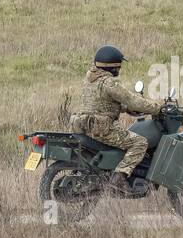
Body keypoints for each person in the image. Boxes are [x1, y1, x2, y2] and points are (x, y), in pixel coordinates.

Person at [69, 45, 162, 192]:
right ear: (112, 65)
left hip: (84, 125)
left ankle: (110, 172)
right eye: (119, 65)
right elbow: (132, 100)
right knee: (140, 142)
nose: (120, 68)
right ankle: (120, 177)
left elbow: (102, 103)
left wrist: (125, 109)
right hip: (102, 128)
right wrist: (158, 107)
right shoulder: (109, 82)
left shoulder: (90, 78)